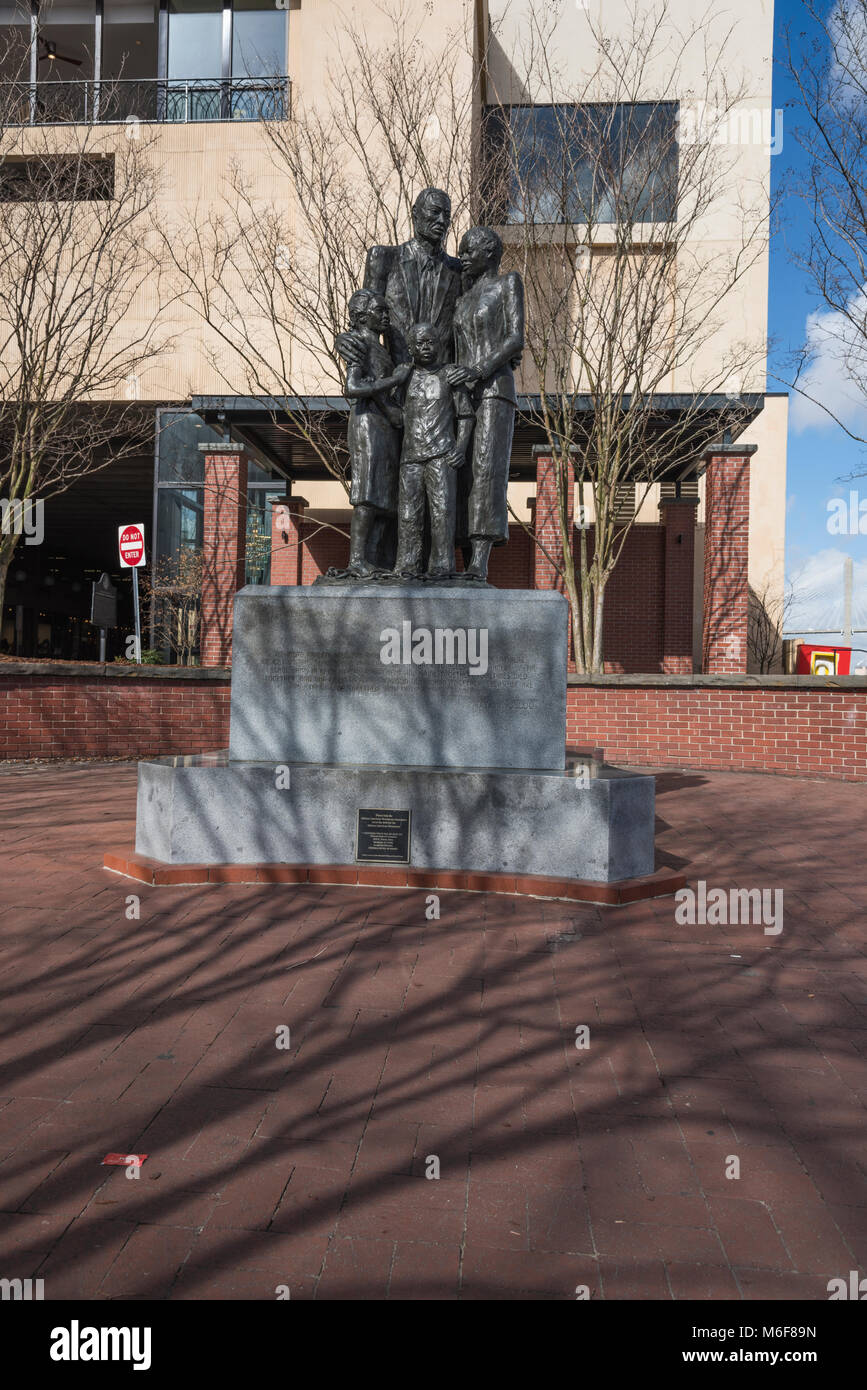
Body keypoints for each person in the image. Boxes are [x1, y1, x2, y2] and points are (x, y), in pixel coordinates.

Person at [447, 226, 525, 582]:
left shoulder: (508, 284)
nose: (462, 256)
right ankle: (462, 562)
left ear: (489, 252)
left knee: (486, 472)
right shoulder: (462, 299)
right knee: (461, 474)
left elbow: (514, 339)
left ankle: (479, 561)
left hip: (494, 390)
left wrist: (479, 369)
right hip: (462, 395)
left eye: (468, 250)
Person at [393, 322, 474, 580]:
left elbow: (466, 415)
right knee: (408, 515)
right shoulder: (403, 377)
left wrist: (461, 447)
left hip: (442, 456)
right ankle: (407, 565)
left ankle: (442, 566)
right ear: (410, 349)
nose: (426, 347)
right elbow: (394, 414)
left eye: (431, 342)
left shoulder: (450, 375)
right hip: (411, 457)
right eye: (420, 343)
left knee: (442, 512)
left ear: (439, 346)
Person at [342, 289, 410, 576]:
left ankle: (375, 559)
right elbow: (352, 388)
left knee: (385, 496)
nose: (385, 315)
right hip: (367, 423)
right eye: (379, 310)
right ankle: (356, 559)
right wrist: (393, 380)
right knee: (367, 494)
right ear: (361, 316)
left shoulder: (380, 347)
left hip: (385, 425)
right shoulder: (358, 344)